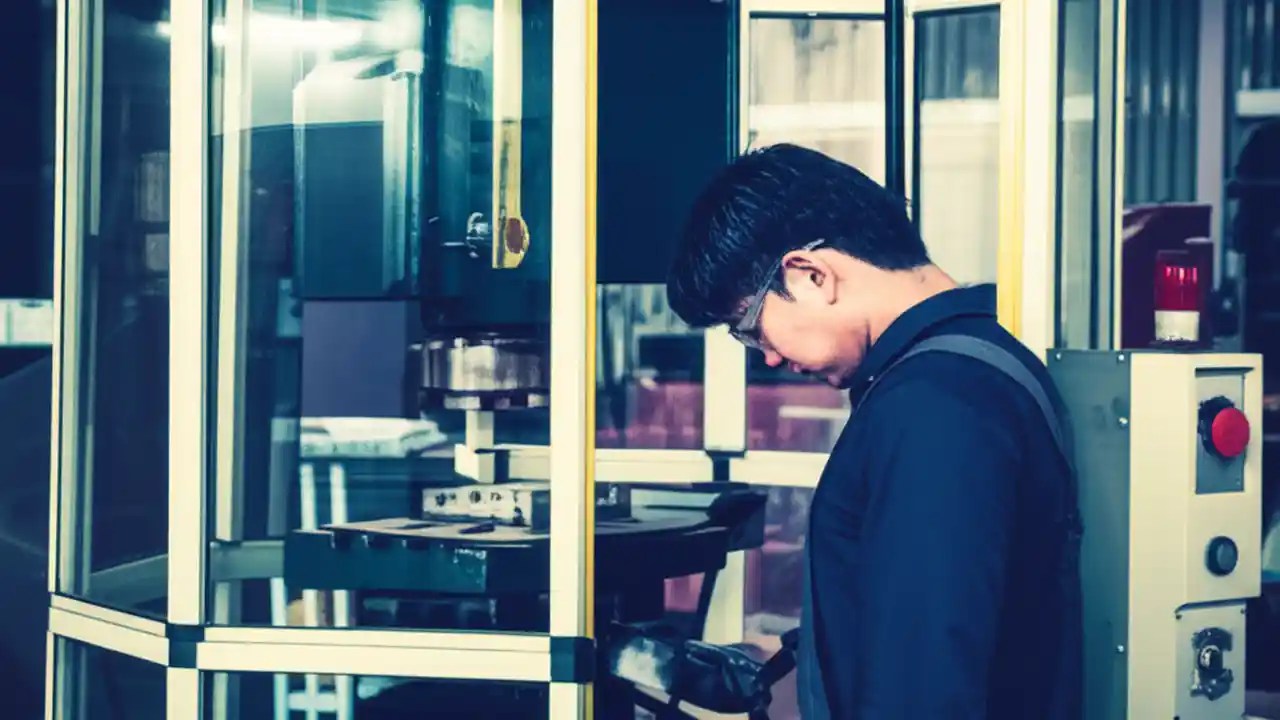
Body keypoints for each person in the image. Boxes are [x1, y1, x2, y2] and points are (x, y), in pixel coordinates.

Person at [665, 143, 1082, 719]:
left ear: (810, 275)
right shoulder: (977, 367)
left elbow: (924, 682)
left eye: (752, 328)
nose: (769, 357)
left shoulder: (934, 404)